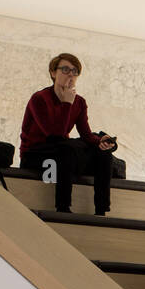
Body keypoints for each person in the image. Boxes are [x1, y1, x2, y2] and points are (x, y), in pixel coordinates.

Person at [20, 53, 117, 216]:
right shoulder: (39, 99)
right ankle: (63, 208)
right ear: (53, 73)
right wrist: (66, 103)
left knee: (102, 154)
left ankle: (101, 210)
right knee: (67, 150)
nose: (70, 74)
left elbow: (86, 134)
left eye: (75, 71)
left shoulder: (79, 102)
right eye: (65, 69)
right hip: (36, 153)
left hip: (62, 151)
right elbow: (54, 134)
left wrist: (101, 141)